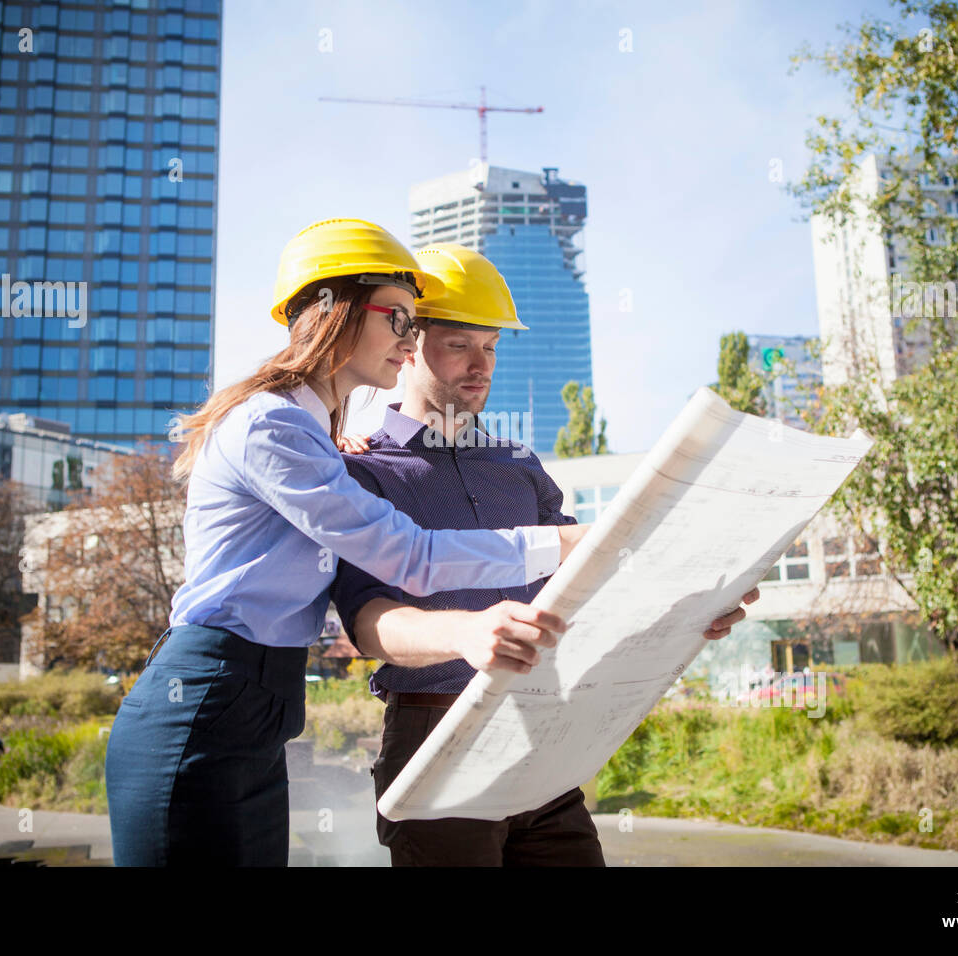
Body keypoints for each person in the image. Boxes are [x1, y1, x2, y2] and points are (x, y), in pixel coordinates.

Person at [103, 219, 589, 867]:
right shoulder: (274, 427)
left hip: (258, 705)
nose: (405, 338)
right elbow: (405, 556)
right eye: (399, 321)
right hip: (208, 692)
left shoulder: (316, 439)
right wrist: (557, 545)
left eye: (489, 346)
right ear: (336, 314)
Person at [332, 244, 759, 866]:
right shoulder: (366, 473)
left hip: (540, 734)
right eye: (459, 345)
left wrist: (688, 607)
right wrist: (468, 634)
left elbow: (585, 582)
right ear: (409, 343)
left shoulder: (518, 467)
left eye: (492, 347)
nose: (481, 366)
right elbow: (368, 623)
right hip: (434, 734)